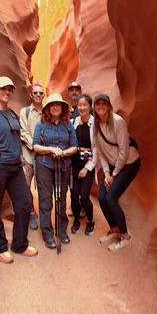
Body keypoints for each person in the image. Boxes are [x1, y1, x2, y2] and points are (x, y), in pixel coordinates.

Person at [0, 76, 38, 263]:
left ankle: (20, 244)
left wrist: (20, 159)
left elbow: (16, 140)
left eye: (10, 89)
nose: (7, 92)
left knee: (24, 204)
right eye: (3, 89)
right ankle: (0, 247)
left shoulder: (13, 115)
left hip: (15, 168)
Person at [93, 94, 141, 251]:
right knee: (102, 197)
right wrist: (107, 174)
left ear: (108, 106)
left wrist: (114, 175)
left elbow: (124, 152)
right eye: (97, 104)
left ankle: (125, 237)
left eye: (103, 104)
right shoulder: (96, 126)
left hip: (129, 163)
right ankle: (114, 231)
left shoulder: (118, 123)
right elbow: (100, 152)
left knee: (111, 197)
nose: (100, 106)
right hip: (113, 165)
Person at [33, 93, 78, 248]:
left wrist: (63, 153)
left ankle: (61, 231)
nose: (55, 107)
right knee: (45, 200)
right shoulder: (41, 125)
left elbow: (74, 146)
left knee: (60, 199)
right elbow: (36, 146)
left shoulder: (68, 125)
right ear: (48, 109)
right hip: (45, 166)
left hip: (63, 167)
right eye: (52, 105)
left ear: (63, 107)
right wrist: (52, 149)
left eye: (58, 105)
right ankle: (47, 233)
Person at [19, 82, 45, 230]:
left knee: (43, 188)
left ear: (44, 95)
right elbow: (23, 132)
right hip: (28, 156)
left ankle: (44, 216)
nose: (38, 95)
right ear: (31, 95)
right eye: (35, 93)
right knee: (25, 186)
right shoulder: (25, 112)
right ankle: (31, 212)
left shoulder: (47, 112)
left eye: (40, 93)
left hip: (43, 157)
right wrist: (35, 145)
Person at [70, 94, 96, 235]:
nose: (82, 108)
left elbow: (97, 149)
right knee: (74, 196)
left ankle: (91, 221)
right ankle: (76, 221)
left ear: (90, 106)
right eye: (80, 105)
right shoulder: (74, 122)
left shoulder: (95, 124)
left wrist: (86, 168)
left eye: (85, 105)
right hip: (74, 165)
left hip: (88, 165)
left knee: (84, 196)